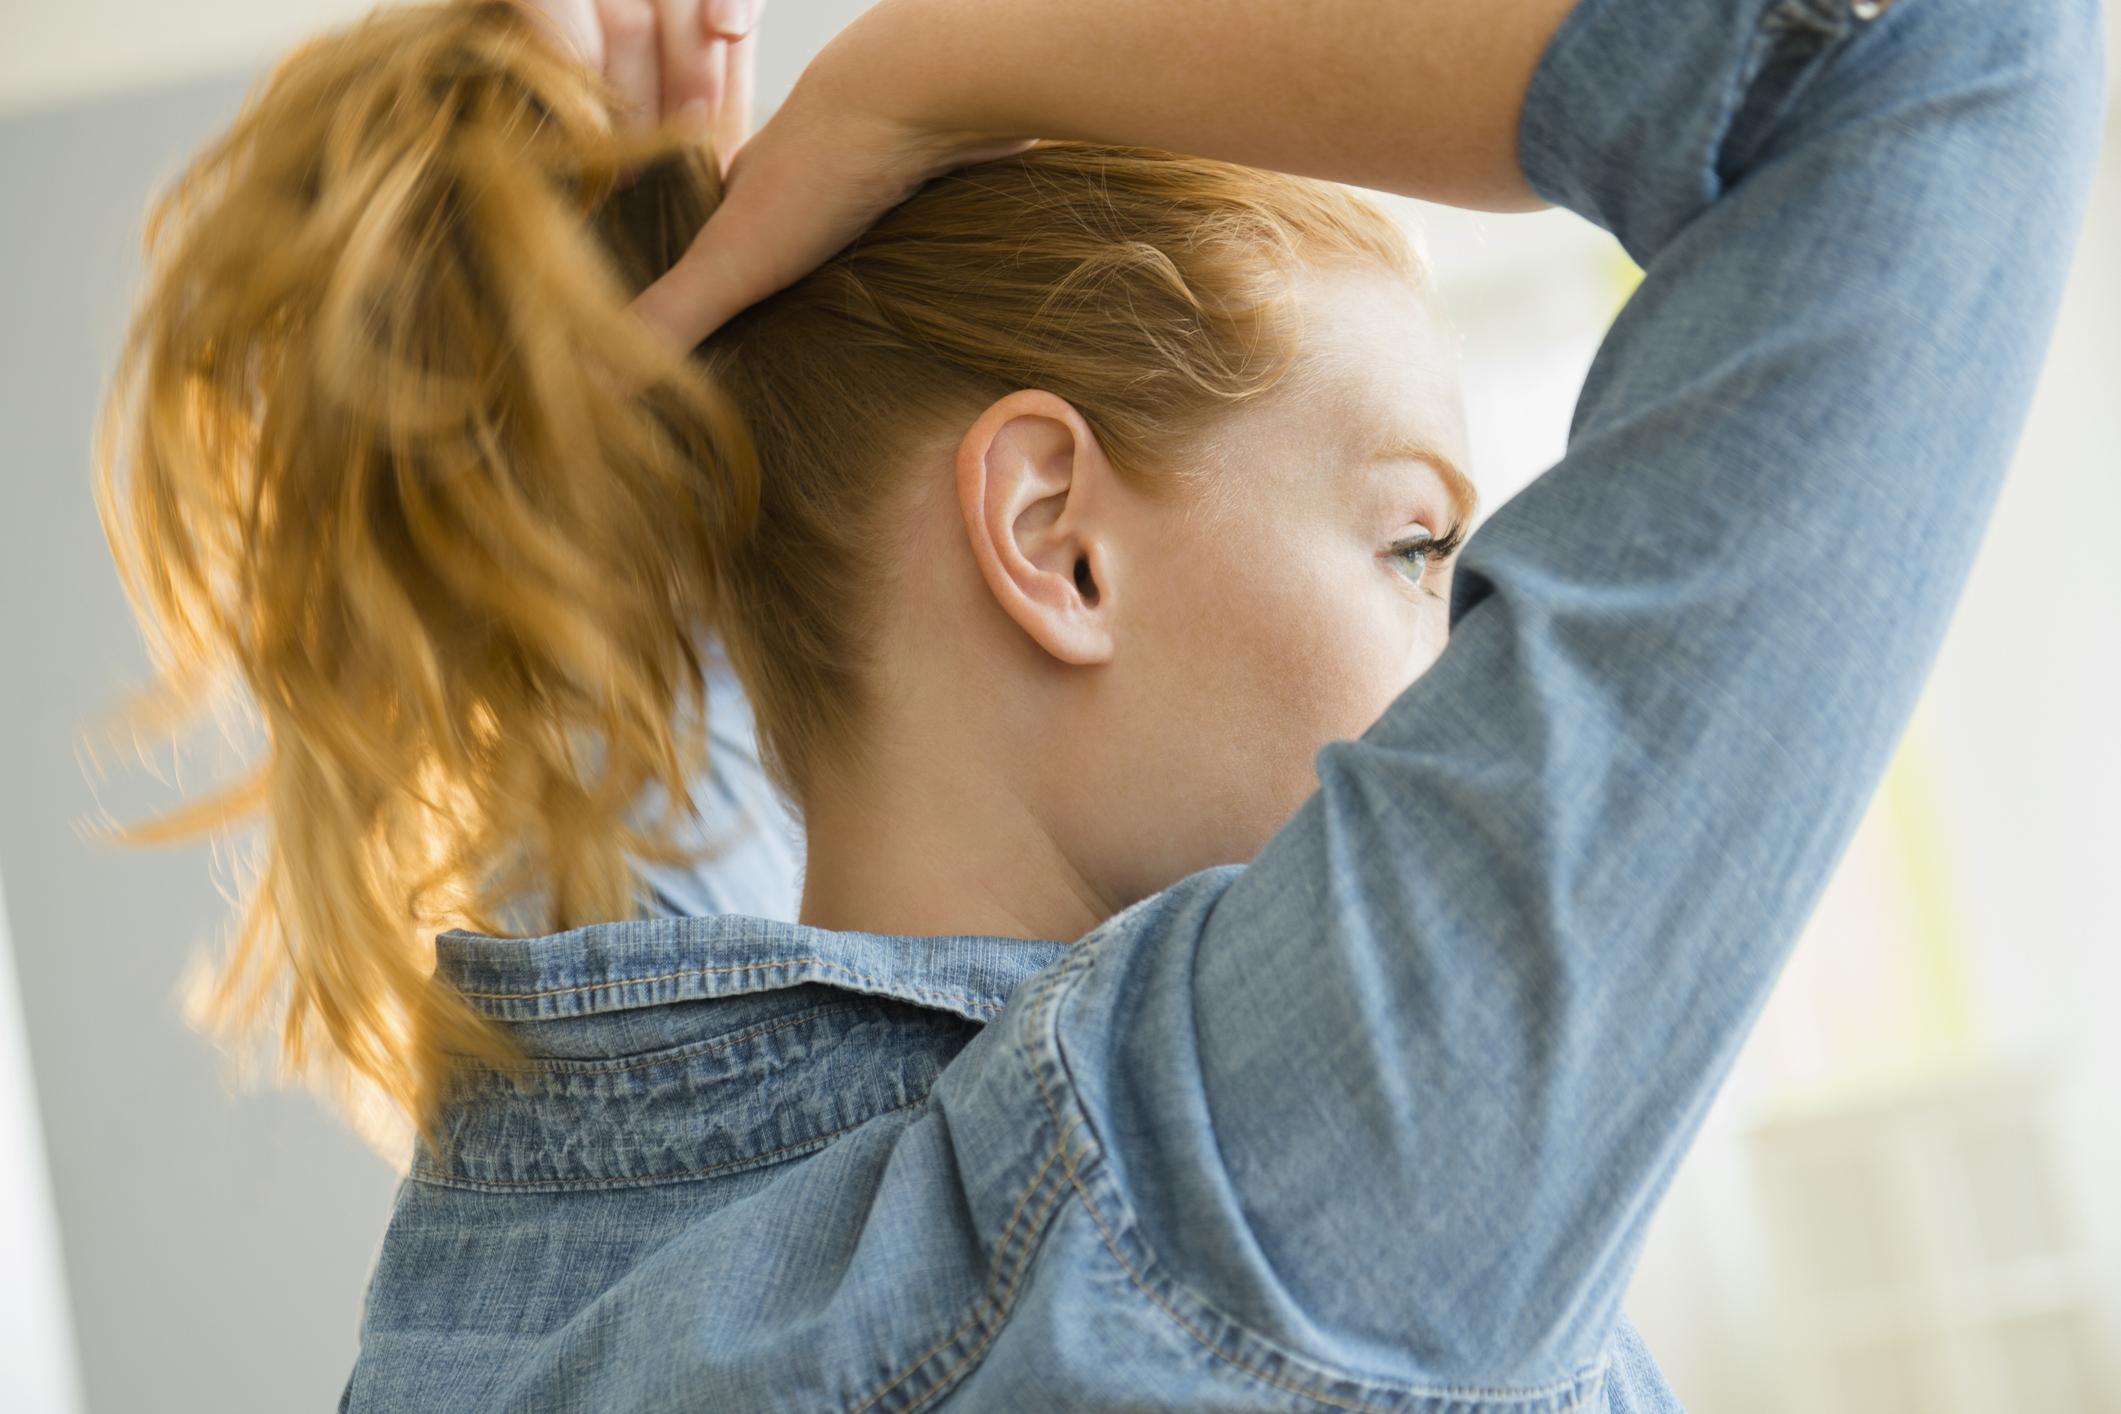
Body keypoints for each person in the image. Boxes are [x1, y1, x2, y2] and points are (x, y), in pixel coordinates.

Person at [86, 0, 2103, 1407]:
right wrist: (918, 73)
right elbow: (1930, 37)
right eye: (1414, 542)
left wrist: (672, 297)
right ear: (1051, 538)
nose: (1459, 652)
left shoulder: (575, 1246)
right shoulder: (1255, 1189)